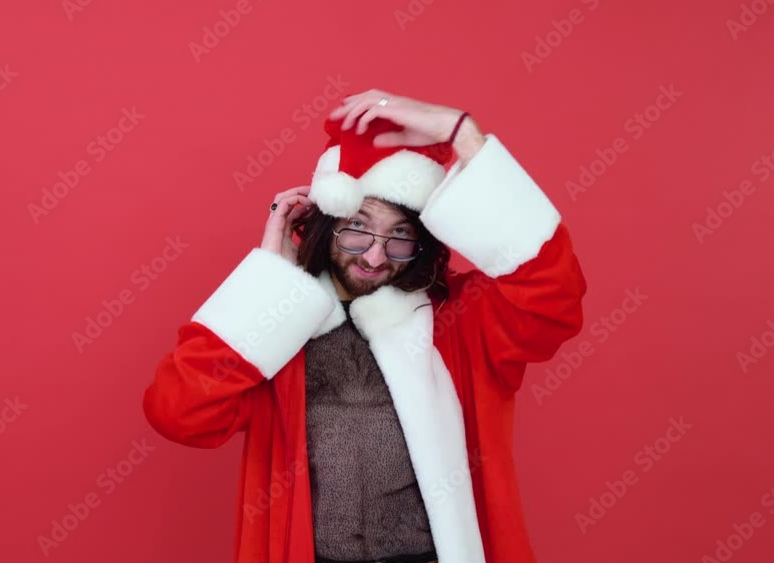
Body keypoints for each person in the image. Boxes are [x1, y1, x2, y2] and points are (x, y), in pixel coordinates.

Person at [142, 89, 588, 563]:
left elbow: (554, 295)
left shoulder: (459, 320)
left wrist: (463, 134)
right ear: (325, 223)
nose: (375, 256)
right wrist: (268, 278)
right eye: (358, 227)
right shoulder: (279, 330)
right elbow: (178, 412)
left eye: (399, 236)